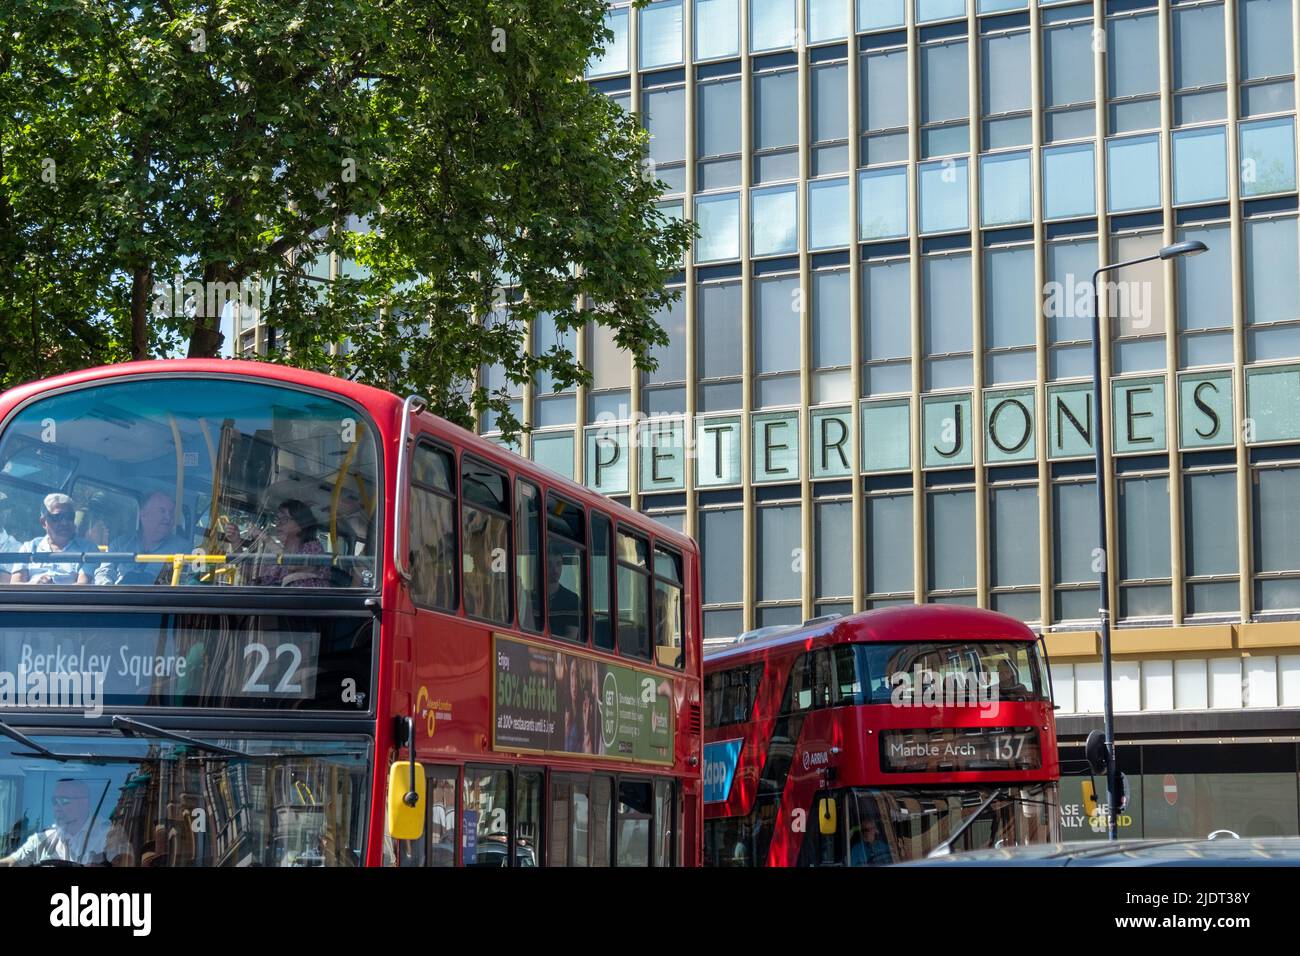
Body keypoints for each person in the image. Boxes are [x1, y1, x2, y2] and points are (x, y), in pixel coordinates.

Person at [0, 779, 115, 866]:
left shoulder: (108, 836)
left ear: (84, 803)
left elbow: (125, 860)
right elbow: (12, 862)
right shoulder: (44, 839)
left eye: (64, 801)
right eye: (54, 801)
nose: (57, 807)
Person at [226, 499, 330, 587]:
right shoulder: (275, 552)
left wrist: (266, 539)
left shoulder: (313, 547)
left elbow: (292, 565)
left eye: (284, 519)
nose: (278, 524)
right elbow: (248, 574)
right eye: (277, 519)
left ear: (300, 523)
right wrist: (236, 541)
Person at [95, 491, 192, 585]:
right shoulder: (120, 544)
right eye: (162, 511)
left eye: (171, 513)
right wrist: (109, 592)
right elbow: (104, 572)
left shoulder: (181, 549)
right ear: (143, 514)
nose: (168, 517)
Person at [11, 493, 95, 584]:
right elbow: (15, 584)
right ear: (43, 522)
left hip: (68, 598)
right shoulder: (29, 548)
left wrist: (53, 589)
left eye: (69, 517)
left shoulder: (88, 549)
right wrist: (34, 584)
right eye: (57, 517)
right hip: (30, 598)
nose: (64, 523)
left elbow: (83, 588)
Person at [547, 549, 582, 640]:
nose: (555, 570)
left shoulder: (572, 600)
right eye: (549, 565)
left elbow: (571, 636)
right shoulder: (530, 598)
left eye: (558, 564)